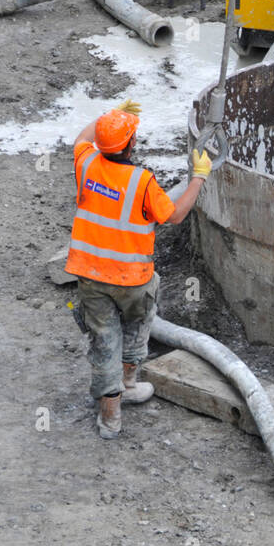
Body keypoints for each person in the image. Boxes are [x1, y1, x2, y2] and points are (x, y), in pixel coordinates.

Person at [65, 101, 213, 439]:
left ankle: (110, 415)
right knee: (136, 326)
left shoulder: (87, 164)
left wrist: (108, 117)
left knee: (104, 340)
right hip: (133, 280)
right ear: (132, 145)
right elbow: (174, 215)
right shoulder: (142, 182)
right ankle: (127, 385)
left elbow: (80, 141)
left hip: (91, 277)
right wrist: (198, 179)